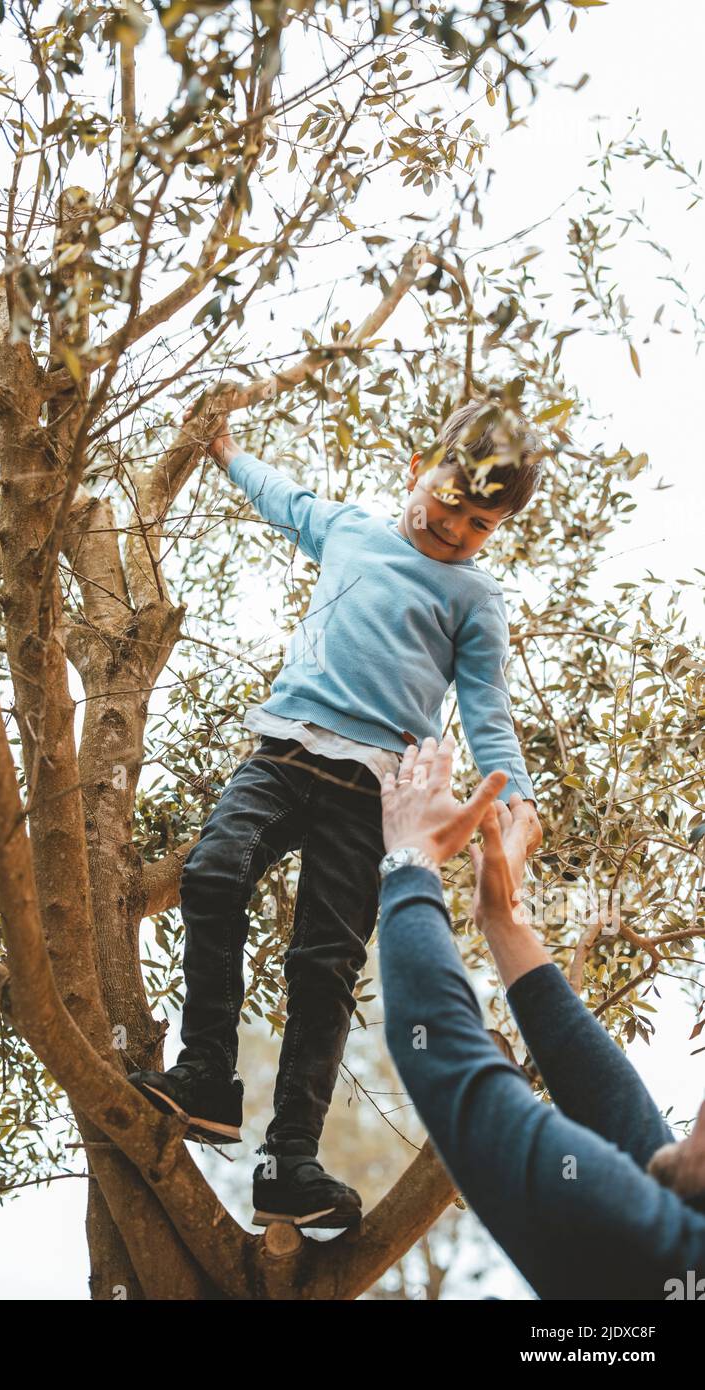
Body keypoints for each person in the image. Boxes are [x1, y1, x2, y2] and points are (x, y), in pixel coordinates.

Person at [129, 398, 544, 1229]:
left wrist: (513, 796)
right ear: (417, 469)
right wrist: (224, 451)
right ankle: (206, 1073)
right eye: (449, 502)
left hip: (374, 791)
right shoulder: (351, 528)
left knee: (321, 966)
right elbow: (281, 501)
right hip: (282, 753)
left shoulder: (472, 599)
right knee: (214, 872)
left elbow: (485, 705)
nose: (456, 528)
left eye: (479, 525)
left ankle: (290, 1164)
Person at [378, 734, 705, 1299]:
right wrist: (503, 923)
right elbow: (621, 1121)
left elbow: (451, 1066)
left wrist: (411, 858)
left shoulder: (667, 1256)